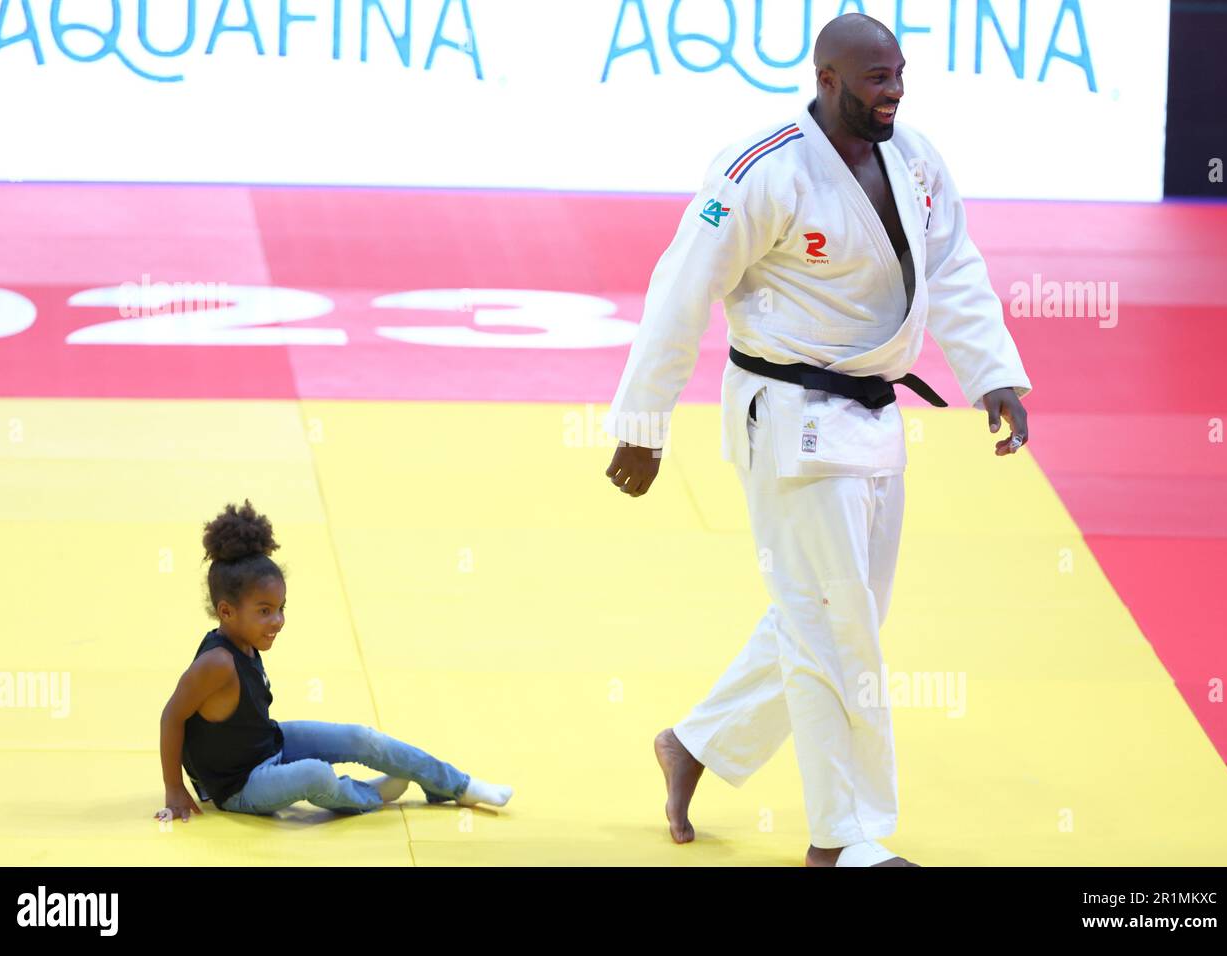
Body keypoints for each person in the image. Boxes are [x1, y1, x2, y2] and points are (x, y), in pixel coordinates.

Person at [602, 13, 1031, 867]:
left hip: (873, 416)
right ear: (828, 79)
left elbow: (954, 266)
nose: (895, 91)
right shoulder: (761, 168)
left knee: (836, 617)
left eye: (900, 74)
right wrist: (643, 425)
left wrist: (996, 373)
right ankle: (845, 838)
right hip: (789, 420)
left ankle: (696, 743)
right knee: (838, 629)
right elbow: (681, 289)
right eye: (877, 78)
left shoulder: (915, 159)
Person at [155, 498, 512, 823]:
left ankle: (455, 785)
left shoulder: (245, 643)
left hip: (270, 744)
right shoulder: (216, 663)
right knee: (315, 774)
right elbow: (172, 716)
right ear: (226, 612)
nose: (277, 621)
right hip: (241, 787)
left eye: (281, 609)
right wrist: (175, 789)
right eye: (264, 611)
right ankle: (367, 796)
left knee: (360, 738)